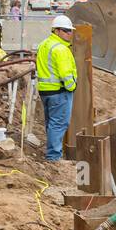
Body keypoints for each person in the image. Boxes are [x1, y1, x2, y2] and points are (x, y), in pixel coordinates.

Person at [36, 14, 77, 161]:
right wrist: (72, 87)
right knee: (59, 124)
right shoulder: (61, 49)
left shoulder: (43, 45)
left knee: (51, 123)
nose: (69, 33)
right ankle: (53, 157)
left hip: (45, 91)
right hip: (59, 92)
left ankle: (52, 153)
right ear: (56, 31)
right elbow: (66, 73)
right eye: (66, 30)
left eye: (70, 30)